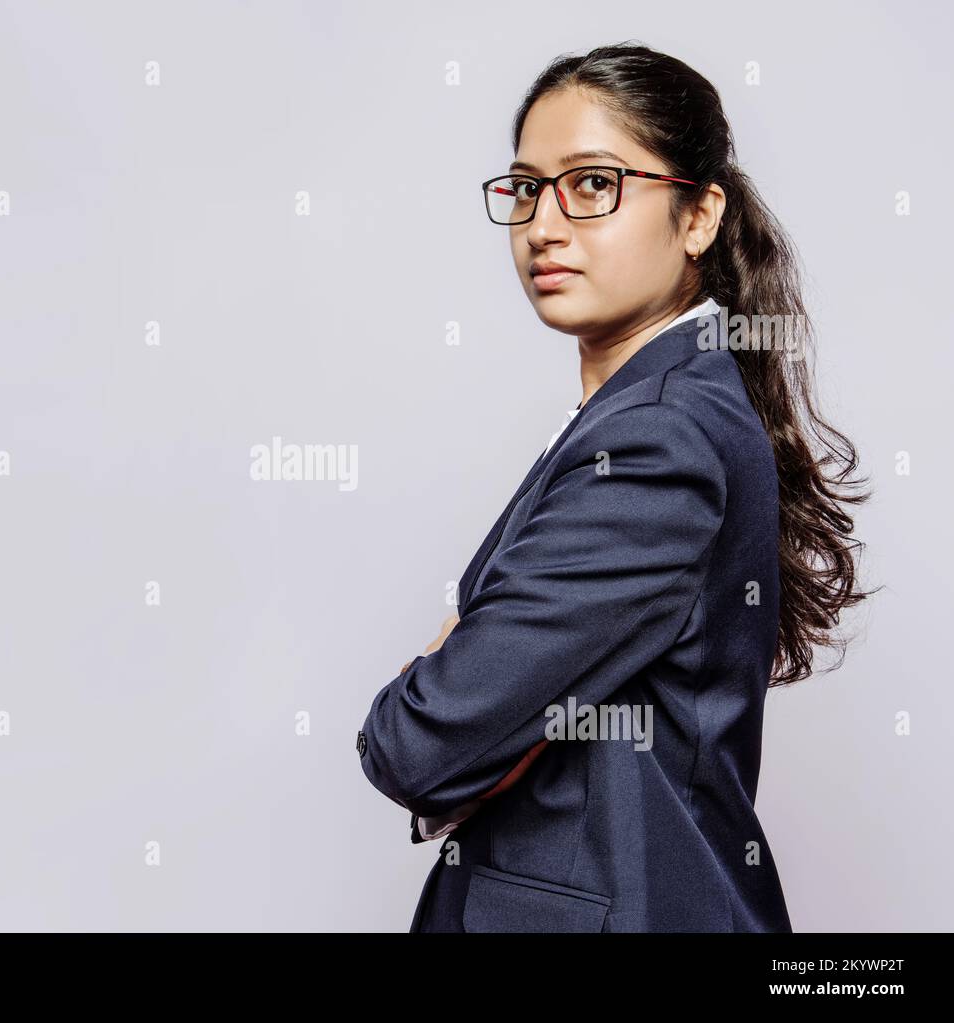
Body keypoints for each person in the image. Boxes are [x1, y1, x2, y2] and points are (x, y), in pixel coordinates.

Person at [356, 41, 874, 932]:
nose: (544, 227)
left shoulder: (657, 438)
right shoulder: (661, 407)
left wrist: (436, 675)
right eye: (525, 188)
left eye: (593, 184)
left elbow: (421, 742)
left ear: (699, 216)